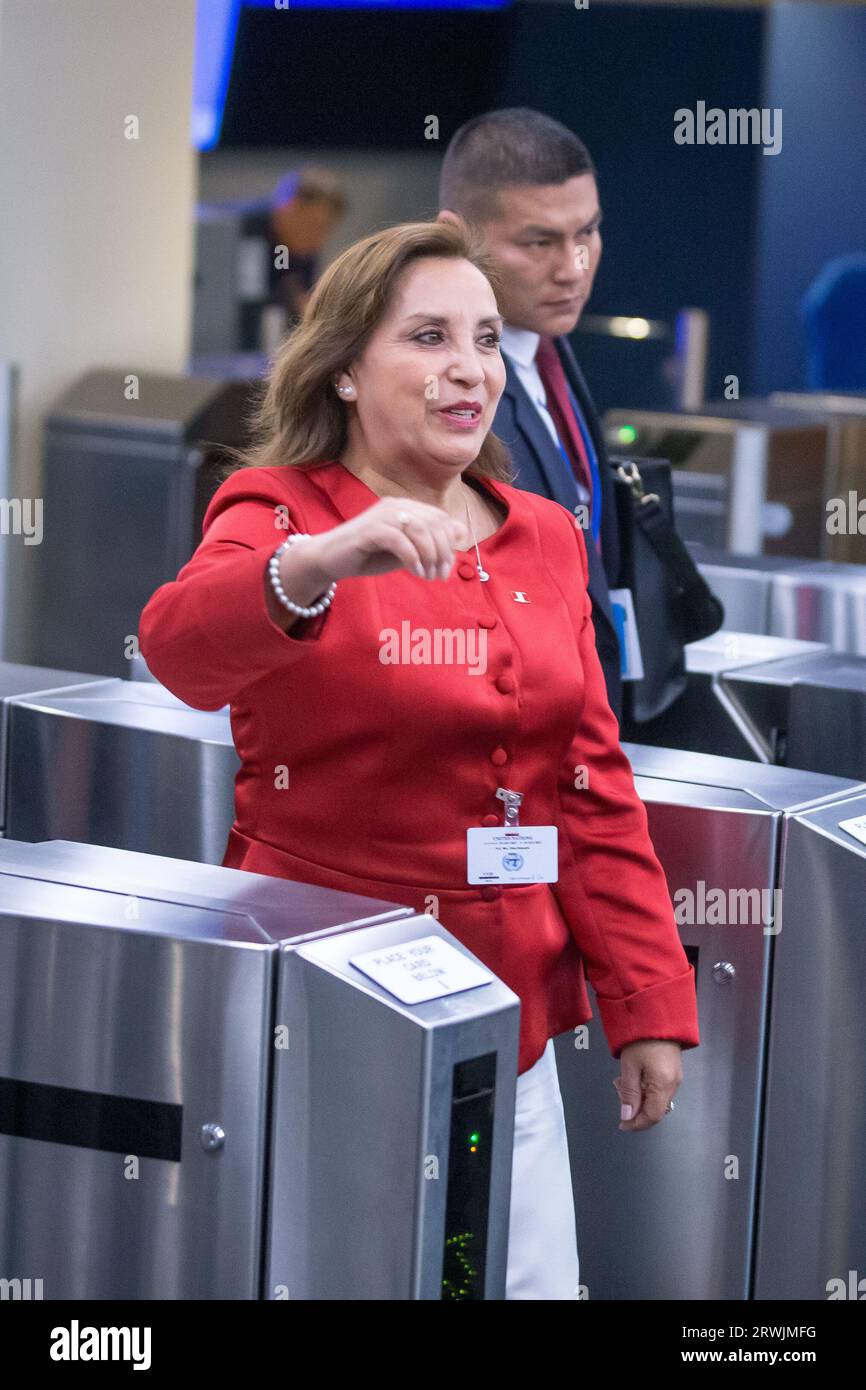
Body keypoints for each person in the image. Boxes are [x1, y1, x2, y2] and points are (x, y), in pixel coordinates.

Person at [139, 220, 699, 1300]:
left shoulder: (539, 531)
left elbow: (587, 789)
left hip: (512, 1020)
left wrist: (646, 1003)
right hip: (337, 1014)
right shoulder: (281, 514)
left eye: (485, 340)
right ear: (344, 368)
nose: (466, 369)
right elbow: (181, 648)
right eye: (428, 336)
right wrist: (322, 561)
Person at [438, 109, 624, 720]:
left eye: (587, 234)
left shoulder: (549, 344)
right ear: (454, 234)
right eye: (539, 242)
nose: (573, 268)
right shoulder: (436, 387)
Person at [239, 166, 346, 349]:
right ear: (289, 207)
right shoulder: (245, 233)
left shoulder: (291, 250)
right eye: (315, 225)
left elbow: (295, 291)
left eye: (327, 228)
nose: (318, 239)